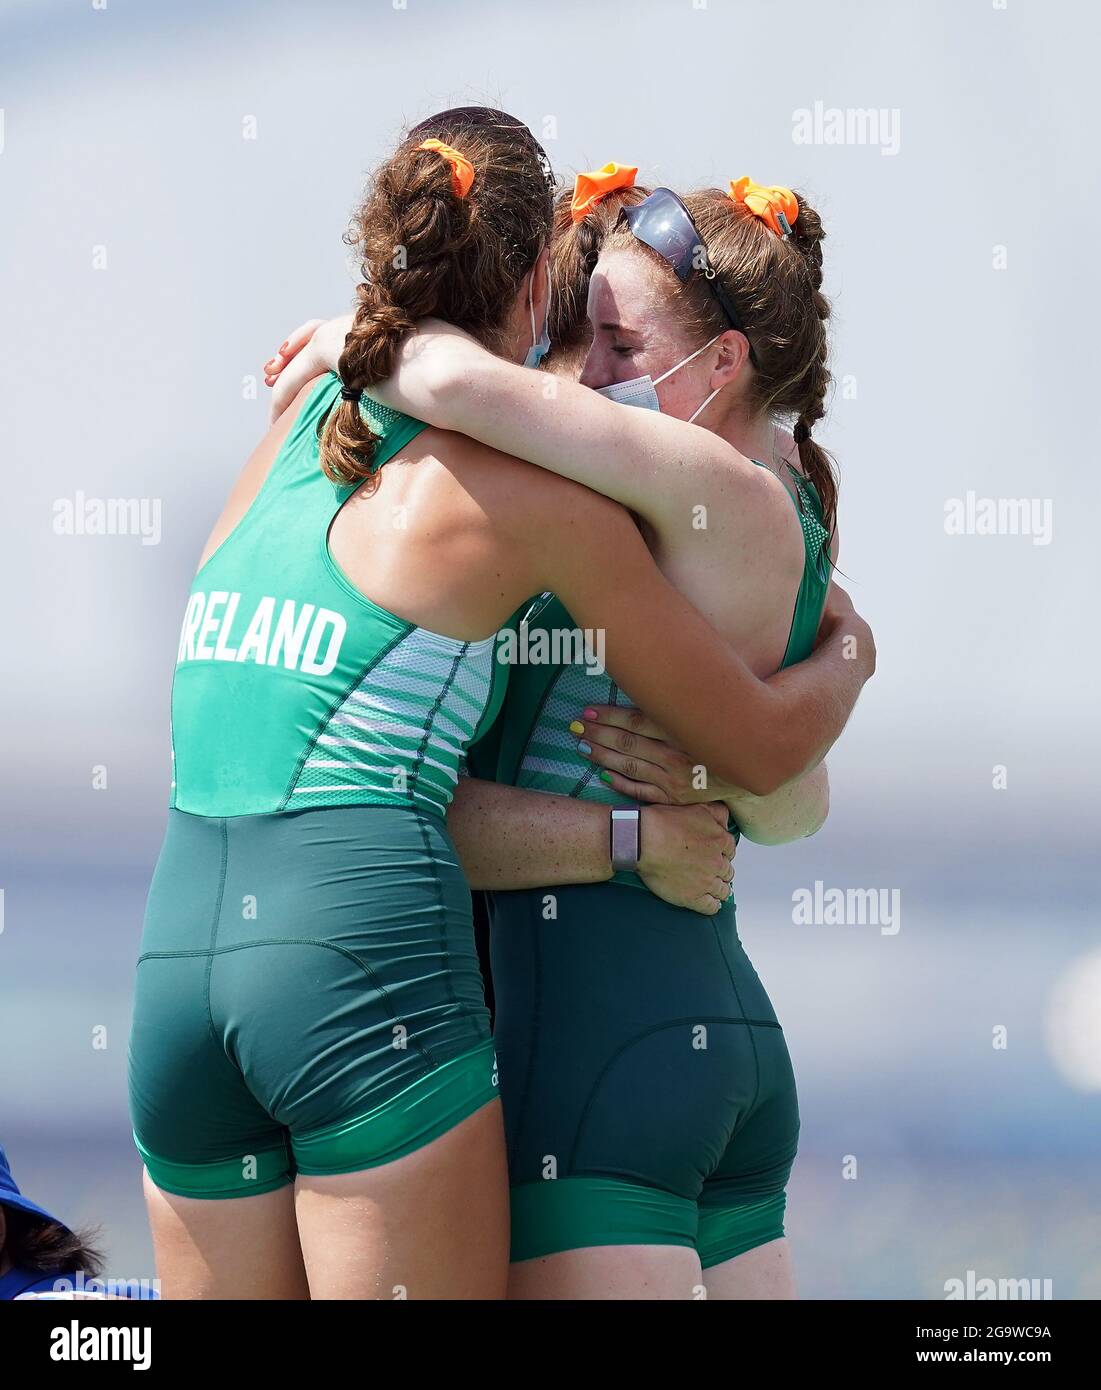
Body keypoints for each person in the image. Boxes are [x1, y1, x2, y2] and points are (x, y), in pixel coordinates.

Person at [130, 111, 873, 1300]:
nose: (589, 383)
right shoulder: (614, 505)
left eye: (616, 346)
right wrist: (844, 657)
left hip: (197, 965)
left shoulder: (293, 437)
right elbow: (777, 770)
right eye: (583, 339)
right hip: (614, 1029)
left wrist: (351, 341)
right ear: (533, 287)